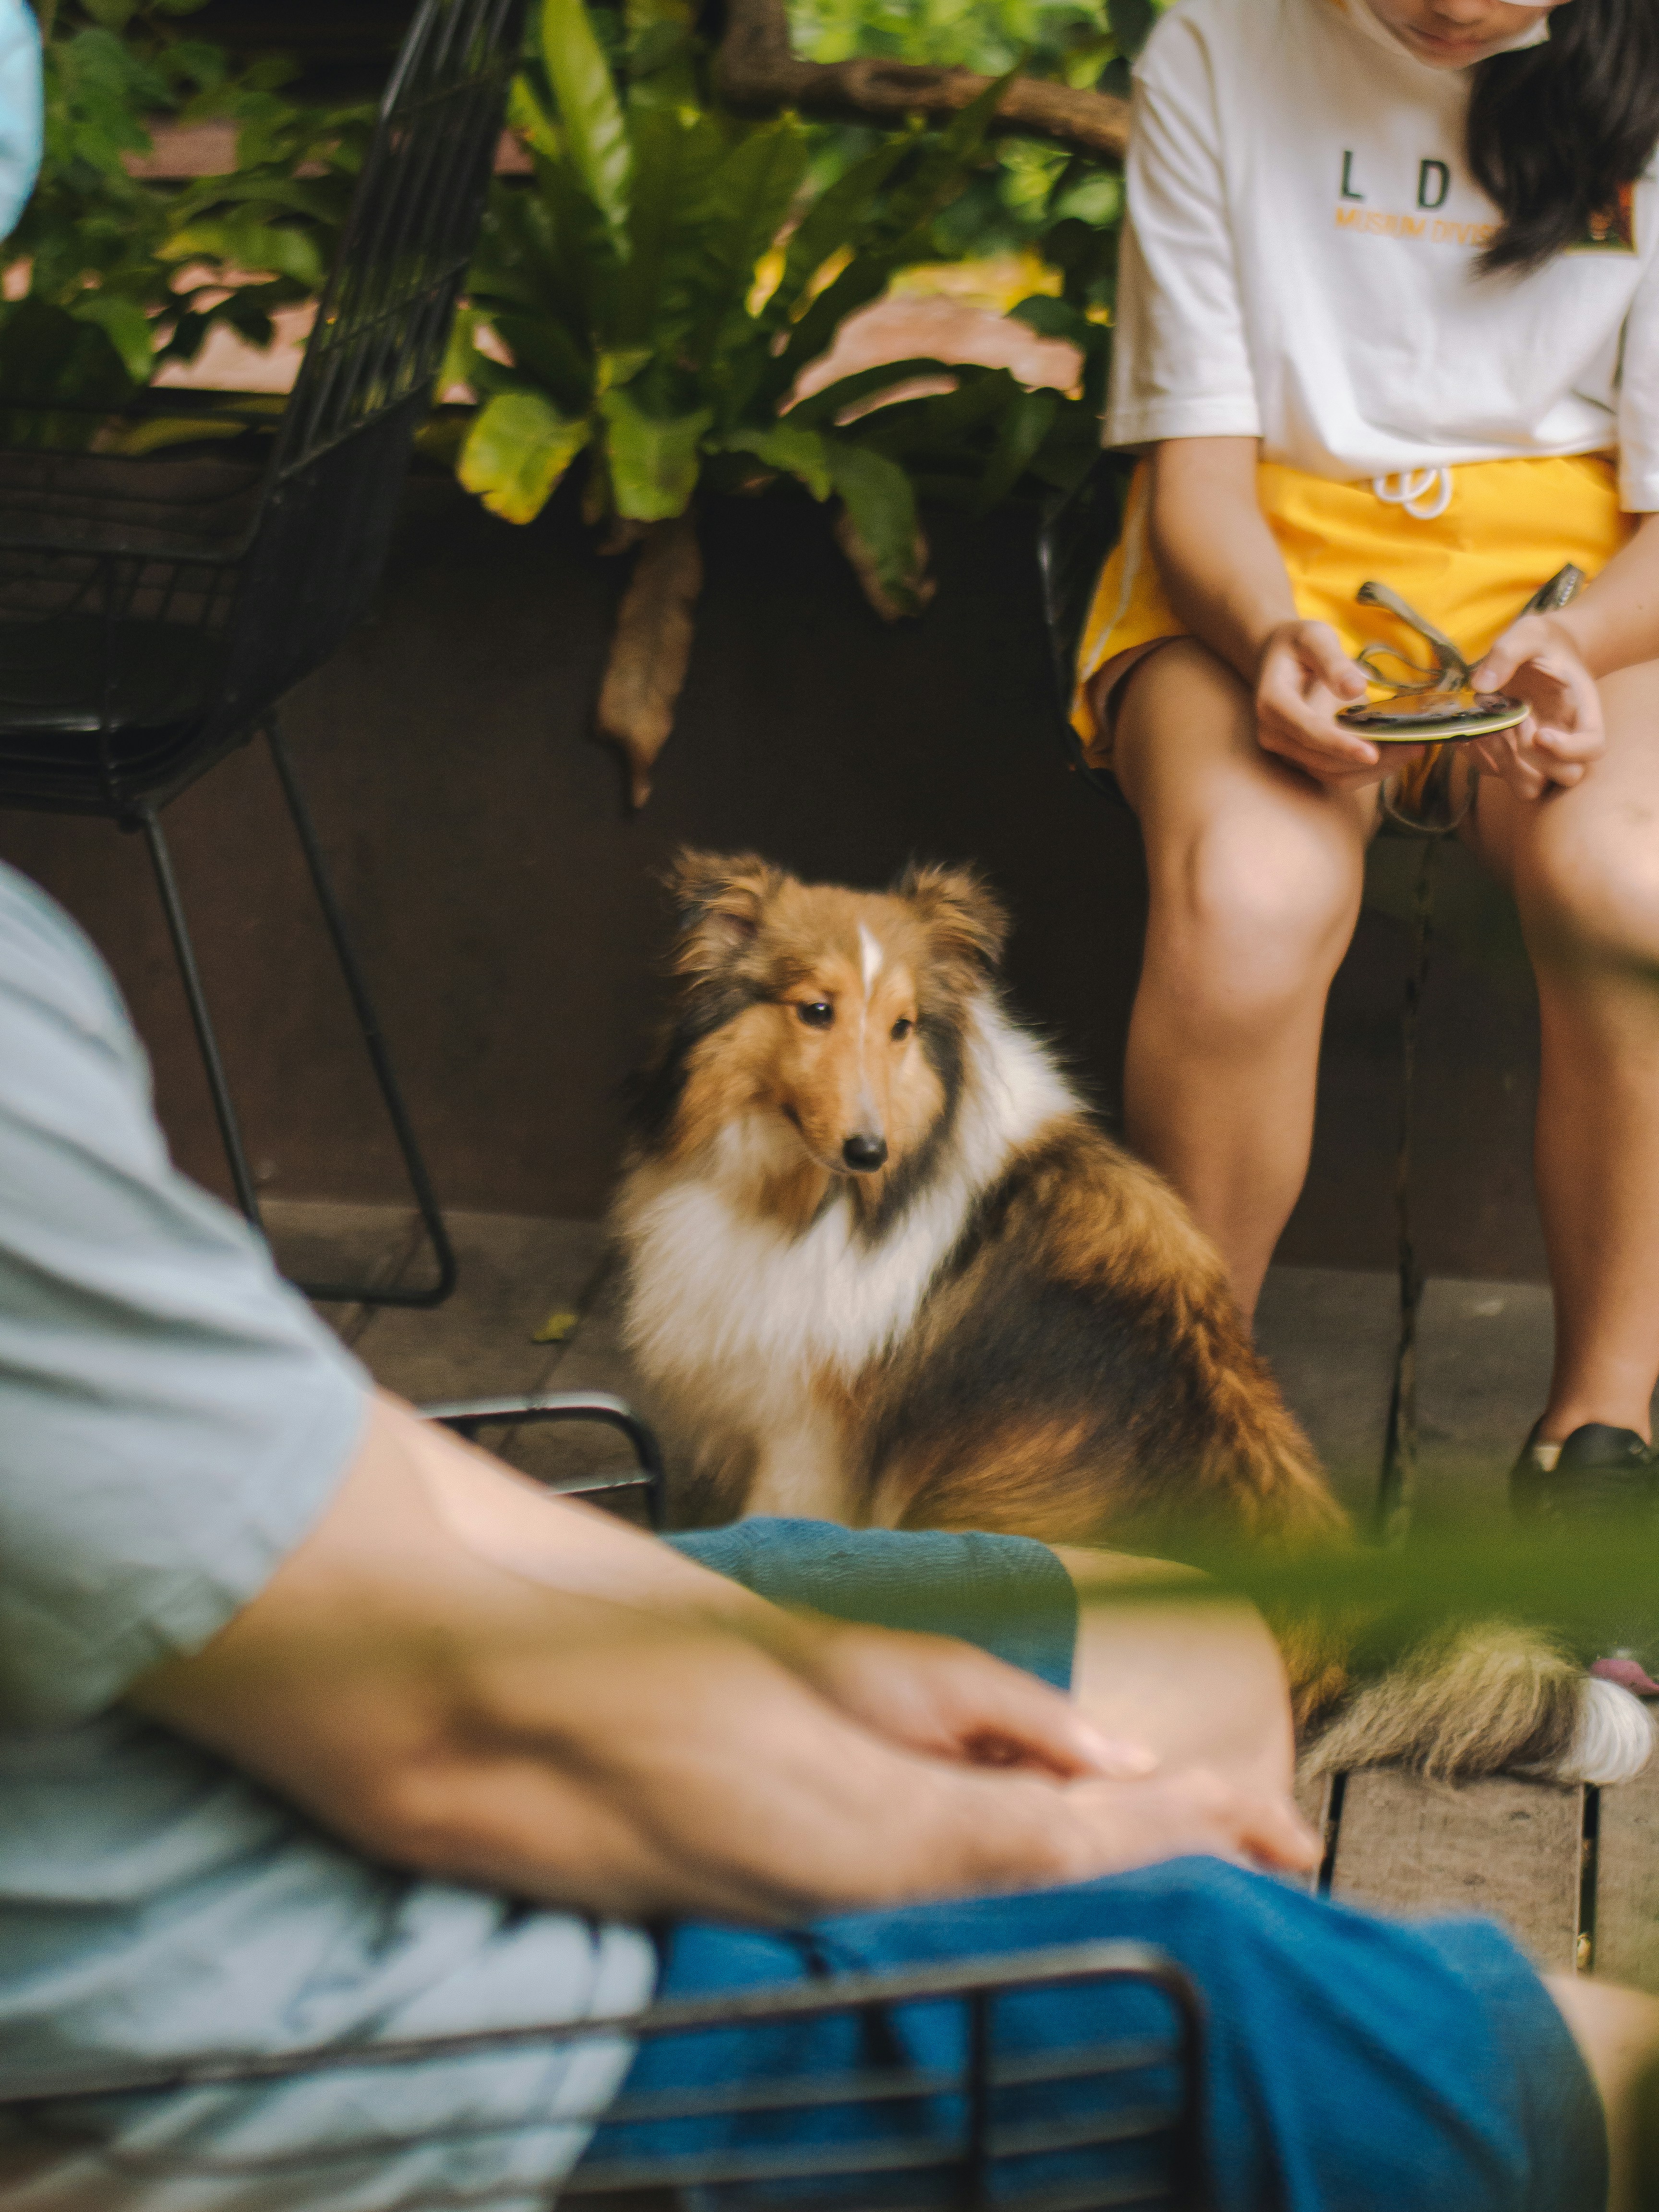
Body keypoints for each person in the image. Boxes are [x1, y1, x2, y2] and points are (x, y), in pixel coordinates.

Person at [0, 867, 1657, 2212]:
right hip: (376, 2036)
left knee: (1191, 1640)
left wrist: (785, 1655)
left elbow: (352, 1458)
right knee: (1431, 2033)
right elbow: (449, 1737)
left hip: (288, 1707)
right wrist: (1005, 1846)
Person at [1073, 0, 1659, 1518]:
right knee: (1248, 899)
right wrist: (1271, 638)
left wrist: (1570, 648)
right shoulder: (1218, 43)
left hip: (1588, 576)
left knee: (1628, 895)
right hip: (1261, 550)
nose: (1450, 14)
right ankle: (1188, 1435)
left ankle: (1600, 1434)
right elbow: (1193, 478)